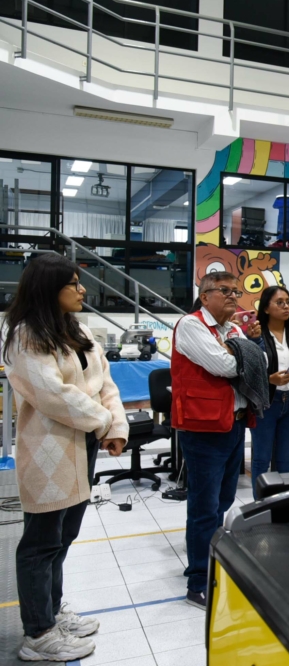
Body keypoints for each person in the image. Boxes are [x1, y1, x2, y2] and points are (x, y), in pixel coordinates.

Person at [2, 254, 128, 662]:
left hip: (83, 443)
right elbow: (53, 394)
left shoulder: (78, 329)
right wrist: (103, 420)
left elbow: (105, 383)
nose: (82, 290)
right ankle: (37, 634)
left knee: (64, 536)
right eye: (73, 283)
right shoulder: (26, 336)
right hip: (49, 448)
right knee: (41, 542)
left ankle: (52, 612)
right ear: (48, 288)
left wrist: (114, 428)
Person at [171, 271, 263, 609]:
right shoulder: (191, 325)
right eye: (223, 290)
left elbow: (259, 360)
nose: (232, 296)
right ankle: (198, 581)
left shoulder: (233, 330)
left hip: (234, 423)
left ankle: (209, 555)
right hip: (203, 427)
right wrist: (241, 353)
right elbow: (224, 366)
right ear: (204, 295)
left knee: (223, 500)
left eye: (235, 291)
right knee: (204, 507)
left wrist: (241, 349)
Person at [250, 285, 289, 497]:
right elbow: (249, 371)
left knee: (285, 459)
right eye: (280, 302)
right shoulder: (257, 335)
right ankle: (260, 504)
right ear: (266, 308)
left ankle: (284, 503)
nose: (286, 307)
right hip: (267, 403)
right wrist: (269, 379)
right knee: (262, 458)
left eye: (288, 302)